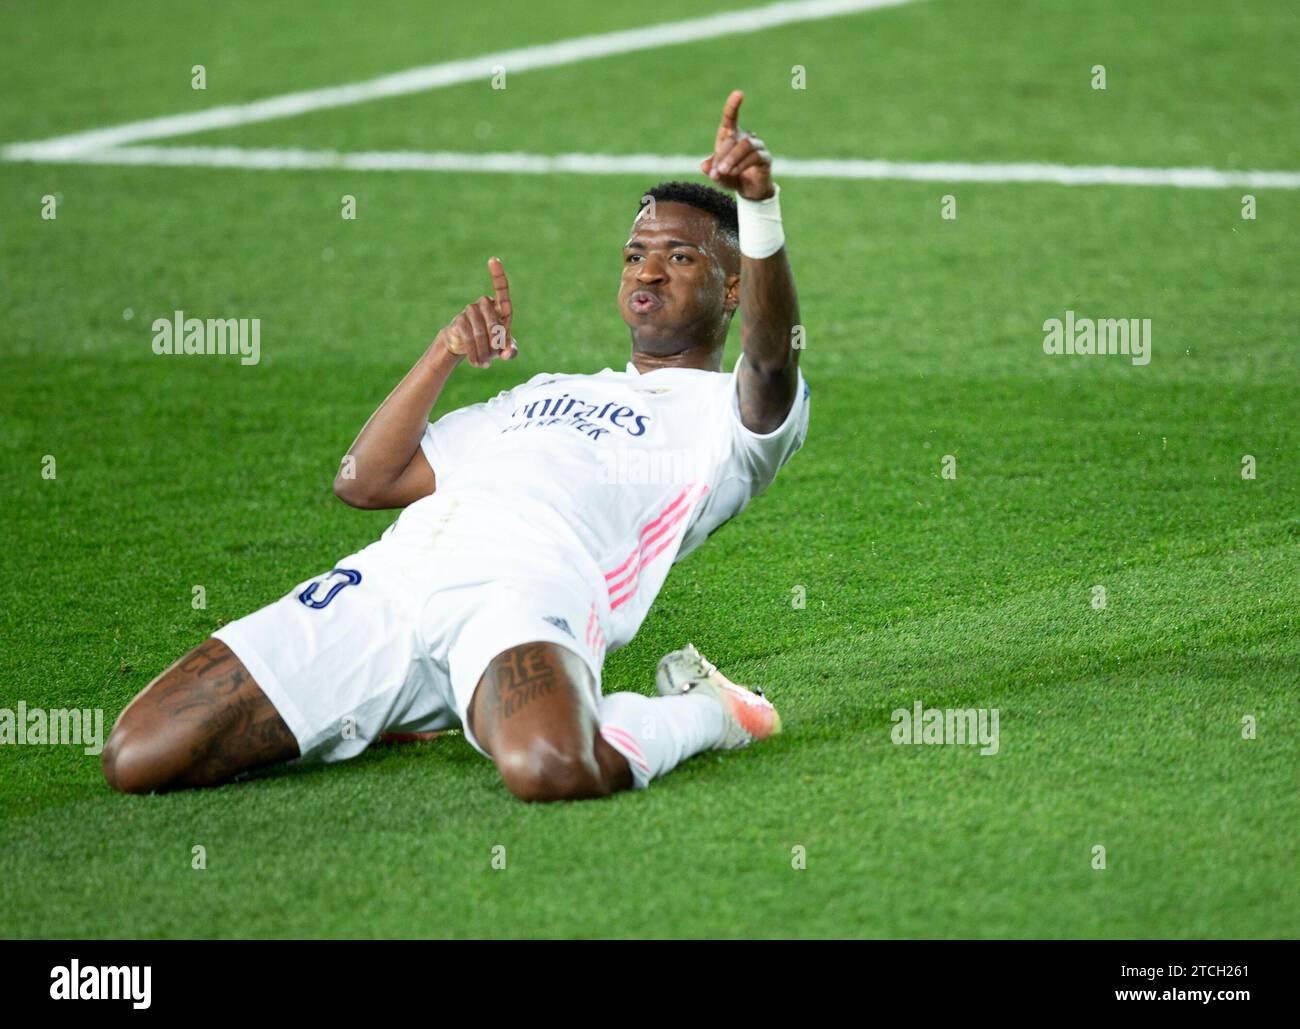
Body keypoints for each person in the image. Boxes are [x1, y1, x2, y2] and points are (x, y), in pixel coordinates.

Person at [101, 90, 810, 802]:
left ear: (732, 290)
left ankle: (712, 711)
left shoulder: (730, 418)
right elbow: (364, 481)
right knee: (139, 754)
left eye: (680, 257)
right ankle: (399, 706)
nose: (647, 272)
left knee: (553, 768)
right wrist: (442, 352)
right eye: (635, 254)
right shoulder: (538, 392)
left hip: (528, 587)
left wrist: (758, 203)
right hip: (395, 577)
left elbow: (773, 357)